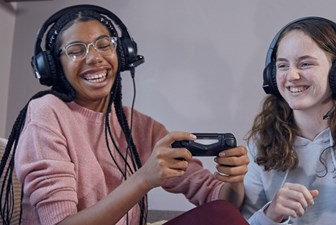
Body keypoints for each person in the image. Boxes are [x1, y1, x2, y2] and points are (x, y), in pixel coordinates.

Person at [0, 4, 250, 225]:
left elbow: (224, 201)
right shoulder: (47, 113)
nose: (95, 57)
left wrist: (234, 179)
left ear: (122, 54)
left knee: (220, 214)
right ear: (53, 67)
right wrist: (144, 179)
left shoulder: (139, 126)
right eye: (76, 50)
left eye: (103, 45)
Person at [240, 16, 336, 225]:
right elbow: (244, 221)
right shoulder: (262, 140)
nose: (292, 75)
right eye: (282, 65)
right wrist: (270, 214)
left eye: (305, 63)